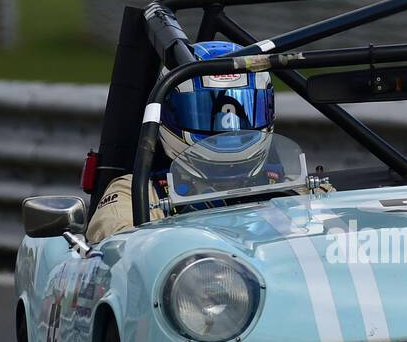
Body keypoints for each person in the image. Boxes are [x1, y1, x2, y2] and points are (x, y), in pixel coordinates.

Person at [87, 40, 289, 243]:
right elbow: (118, 247)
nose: (228, 132)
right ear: (168, 114)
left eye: (245, 110)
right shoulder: (138, 194)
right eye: (203, 111)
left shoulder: (298, 191)